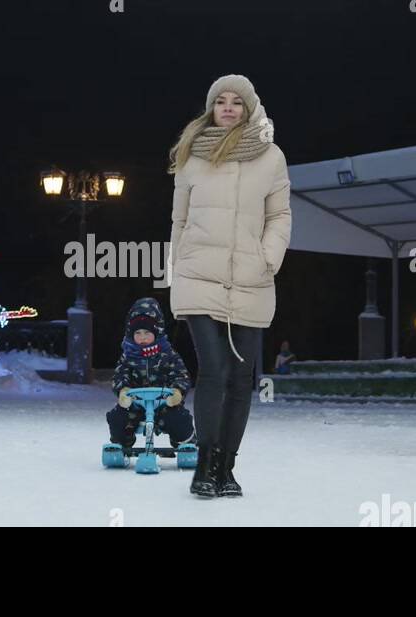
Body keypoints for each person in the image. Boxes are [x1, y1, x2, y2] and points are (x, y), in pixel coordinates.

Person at [167, 74, 292, 498]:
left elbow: (279, 216)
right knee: (215, 370)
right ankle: (204, 463)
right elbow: (178, 222)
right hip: (199, 276)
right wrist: (177, 268)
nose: (227, 108)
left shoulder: (272, 157)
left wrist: (268, 258)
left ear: (249, 108)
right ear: (211, 108)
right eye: (220, 101)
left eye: (236, 102)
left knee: (242, 378)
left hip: (252, 280)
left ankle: (226, 467)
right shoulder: (191, 156)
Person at [107, 297, 195, 450]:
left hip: (163, 404)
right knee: (117, 417)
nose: (142, 338)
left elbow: (181, 375)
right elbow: (120, 375)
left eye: (147, 332)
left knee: (179, 418)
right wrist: (123, 391)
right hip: (136, 405)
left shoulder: (167, 354)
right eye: (138, 333)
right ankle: (122, 442)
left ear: (157, 332)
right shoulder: (128, 356)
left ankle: (184, 442)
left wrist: (176, 392)